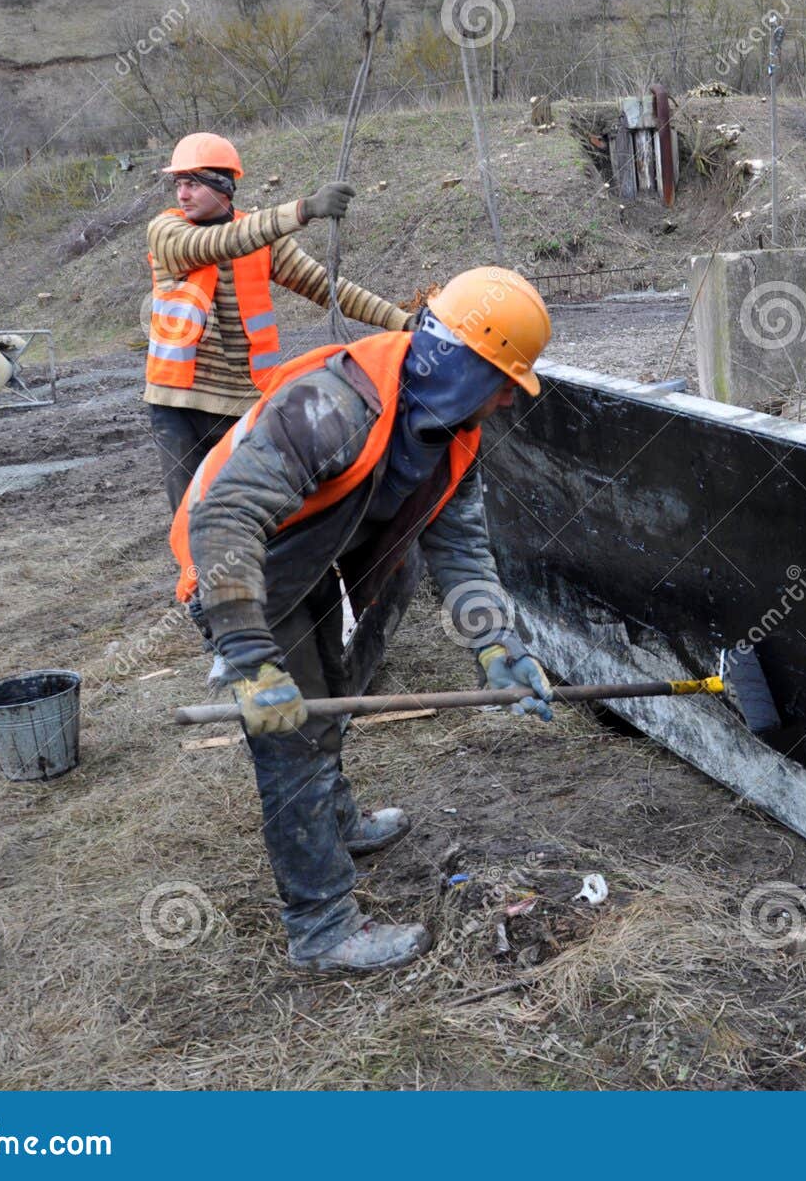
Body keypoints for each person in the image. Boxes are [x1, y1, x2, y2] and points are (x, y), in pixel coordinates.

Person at [170, 266, 556, 972]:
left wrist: (496, 643)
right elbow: (226, 519)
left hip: (314, 563)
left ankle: (336, 821)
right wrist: (251, 657)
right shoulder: (334, 406)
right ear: (463, 365)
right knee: (289, 741)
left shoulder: (454, 435)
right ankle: (321, 926)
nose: (508, 399)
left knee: (330, 696)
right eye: (504, 380)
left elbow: (461, 551)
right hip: (242, 576)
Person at [144, 131, 412, 510]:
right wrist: (303, 210)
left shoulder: (263, 240)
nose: (182, 195)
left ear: (223, 187)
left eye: (192, 184)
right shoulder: (167, 232)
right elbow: (220, 243)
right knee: (190, 513)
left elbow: (327, 288)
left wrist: (402, 321)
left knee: (247, 510)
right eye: (178, 184)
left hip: (243, 403)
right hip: (177, 406)